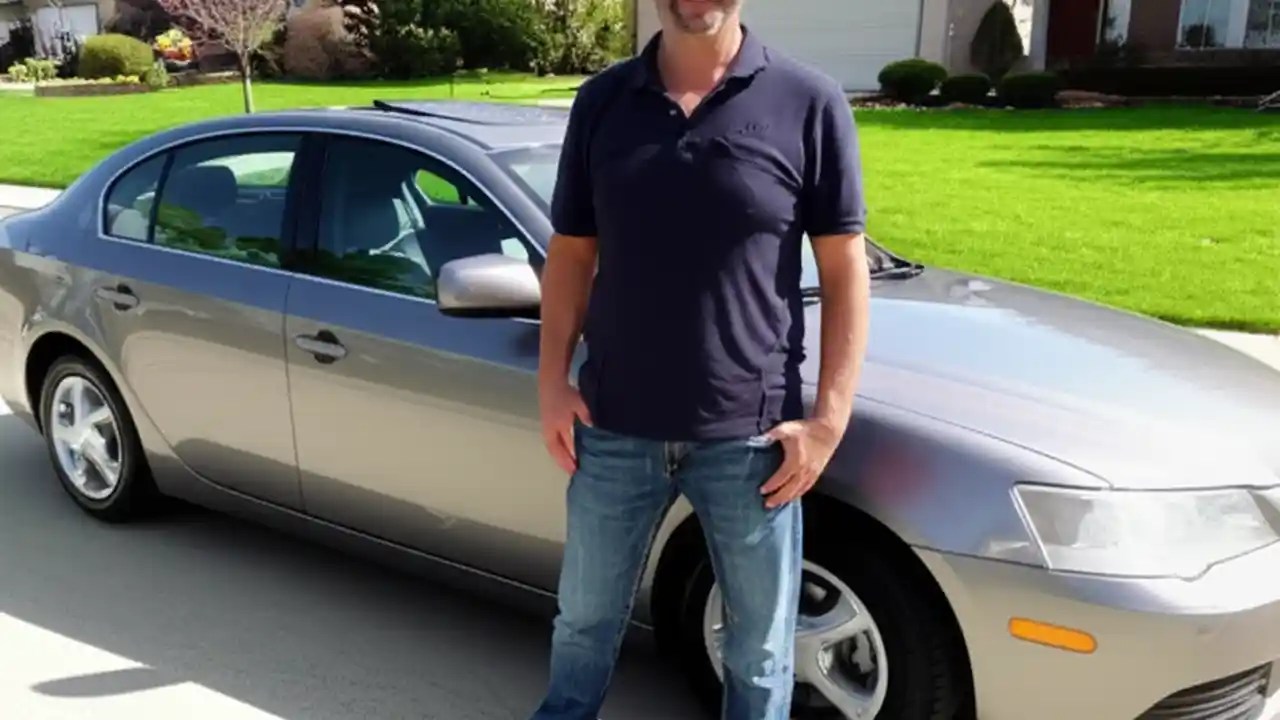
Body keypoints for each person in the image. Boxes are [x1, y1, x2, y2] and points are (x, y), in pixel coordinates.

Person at [531, 0, 870, 718]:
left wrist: (829, 421)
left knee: (760, 648)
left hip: (750, 439)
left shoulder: (808, 102)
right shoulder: (604, 102)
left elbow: (845, 273)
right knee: (583, 623)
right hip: (614, 422)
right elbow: (571, 253)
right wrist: (551, 383)